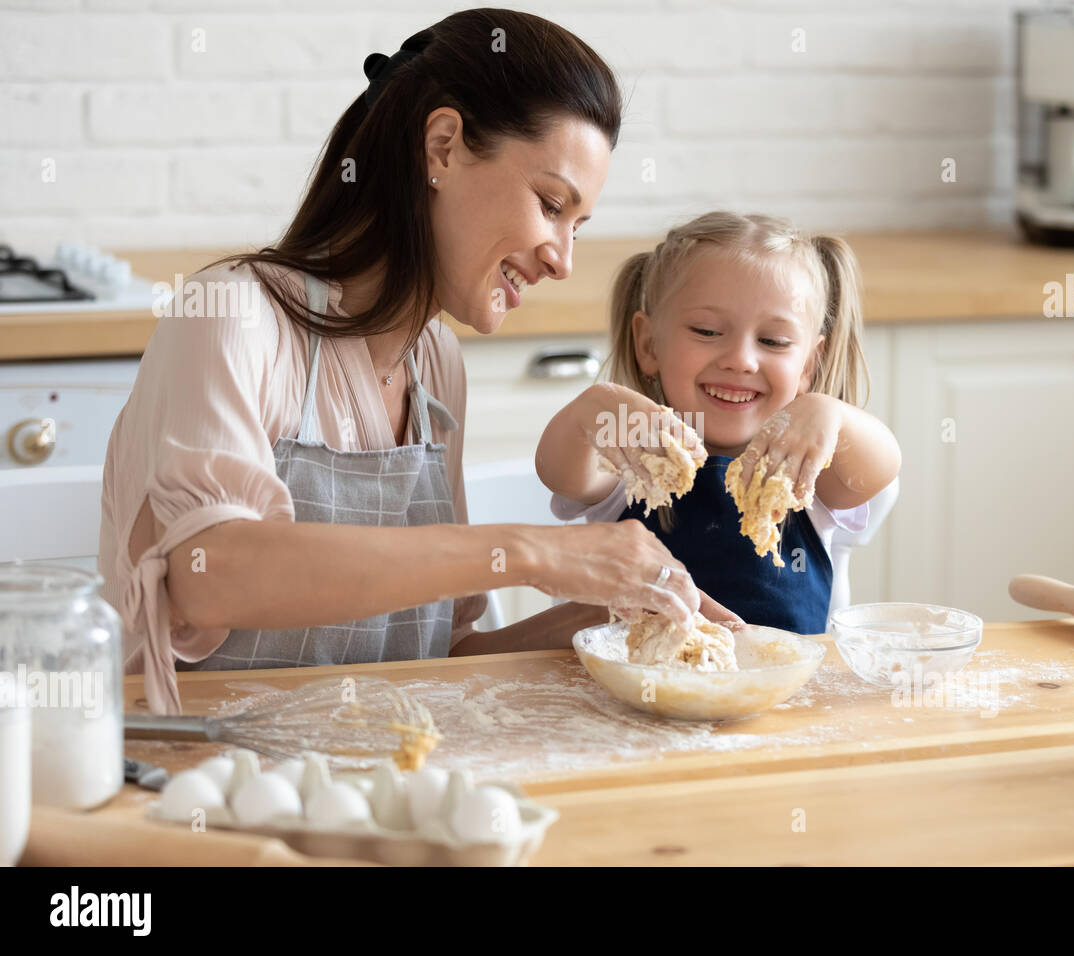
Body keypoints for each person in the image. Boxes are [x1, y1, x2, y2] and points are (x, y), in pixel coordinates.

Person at [100, 9, 730, 716]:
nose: (562, 258)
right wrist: (539, 552)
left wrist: (602, 619)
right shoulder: (232, 316)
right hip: (202, 790)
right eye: (551, 204)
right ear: (442, 147)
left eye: (577, 226)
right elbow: (206, 574)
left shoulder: (436, 363)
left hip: (382, 791)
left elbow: (435, 660)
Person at [536, 211, 902, 634]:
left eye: (773, 341)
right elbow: (560, 473)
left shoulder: (810, 476)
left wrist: (832, 414)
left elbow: (881, 466)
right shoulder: (632, 457)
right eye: (707, 331)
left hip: (786, 698)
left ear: (808, 365)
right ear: (648, 343)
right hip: (635, 697)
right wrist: (592, 410)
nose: (740, 360)